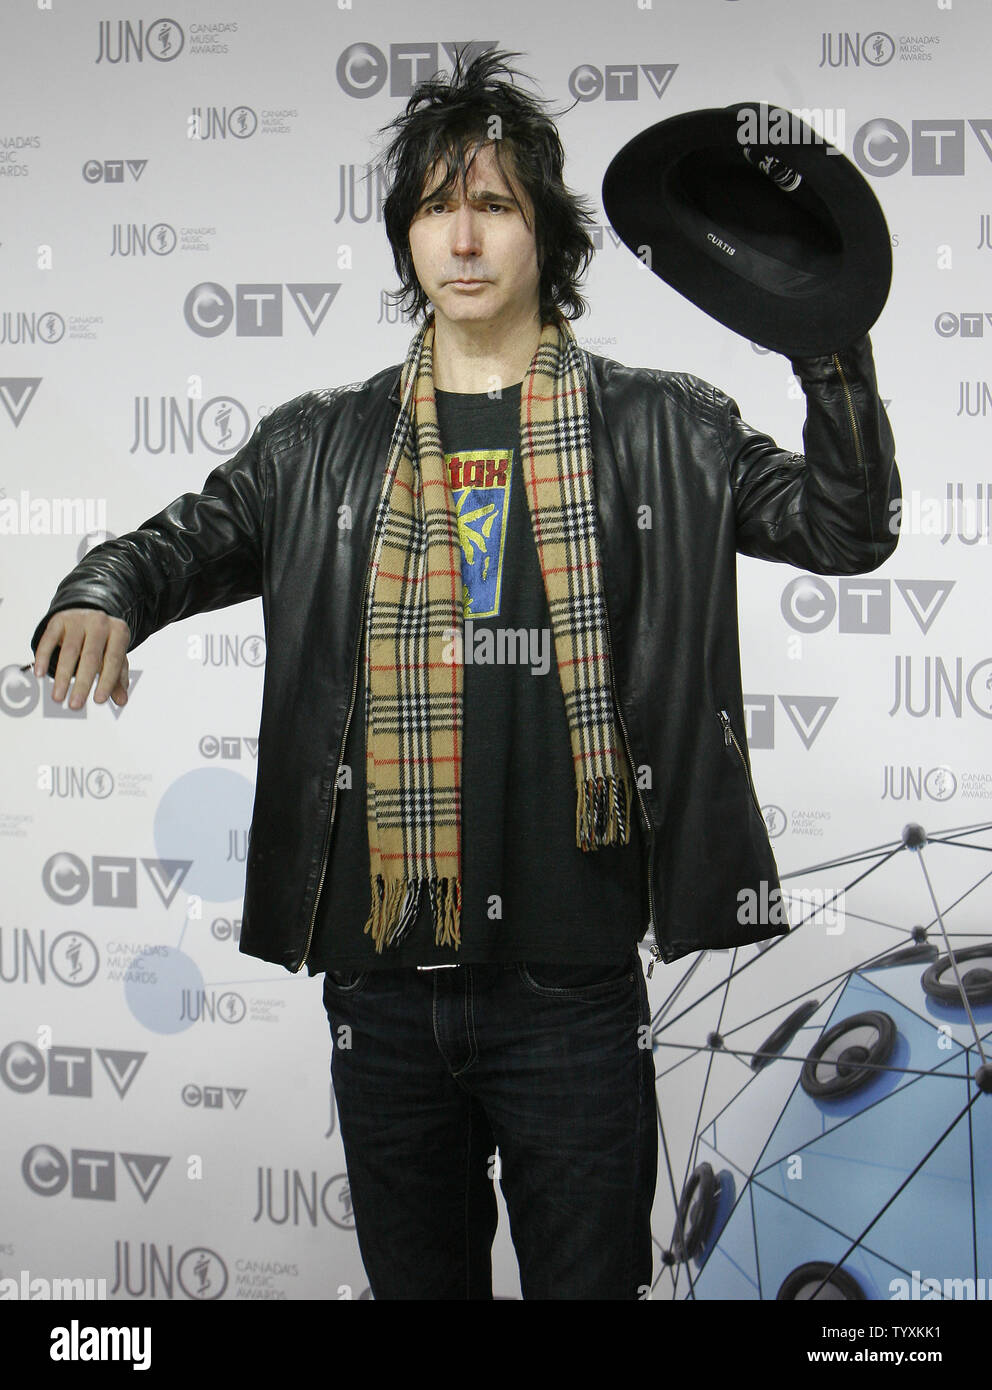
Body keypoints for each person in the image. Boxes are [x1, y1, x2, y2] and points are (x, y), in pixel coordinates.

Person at [29, 49, 899, 1300]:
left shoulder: (664, 428)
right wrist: (102, 592)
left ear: (546, 232)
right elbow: (181, 540)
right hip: (382, 994)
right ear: (406, 241)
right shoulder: (317, 446)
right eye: (436, 207)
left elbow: (844, 527)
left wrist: (828, 351)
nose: (463, 235)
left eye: (492, 203)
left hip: (572, 992)